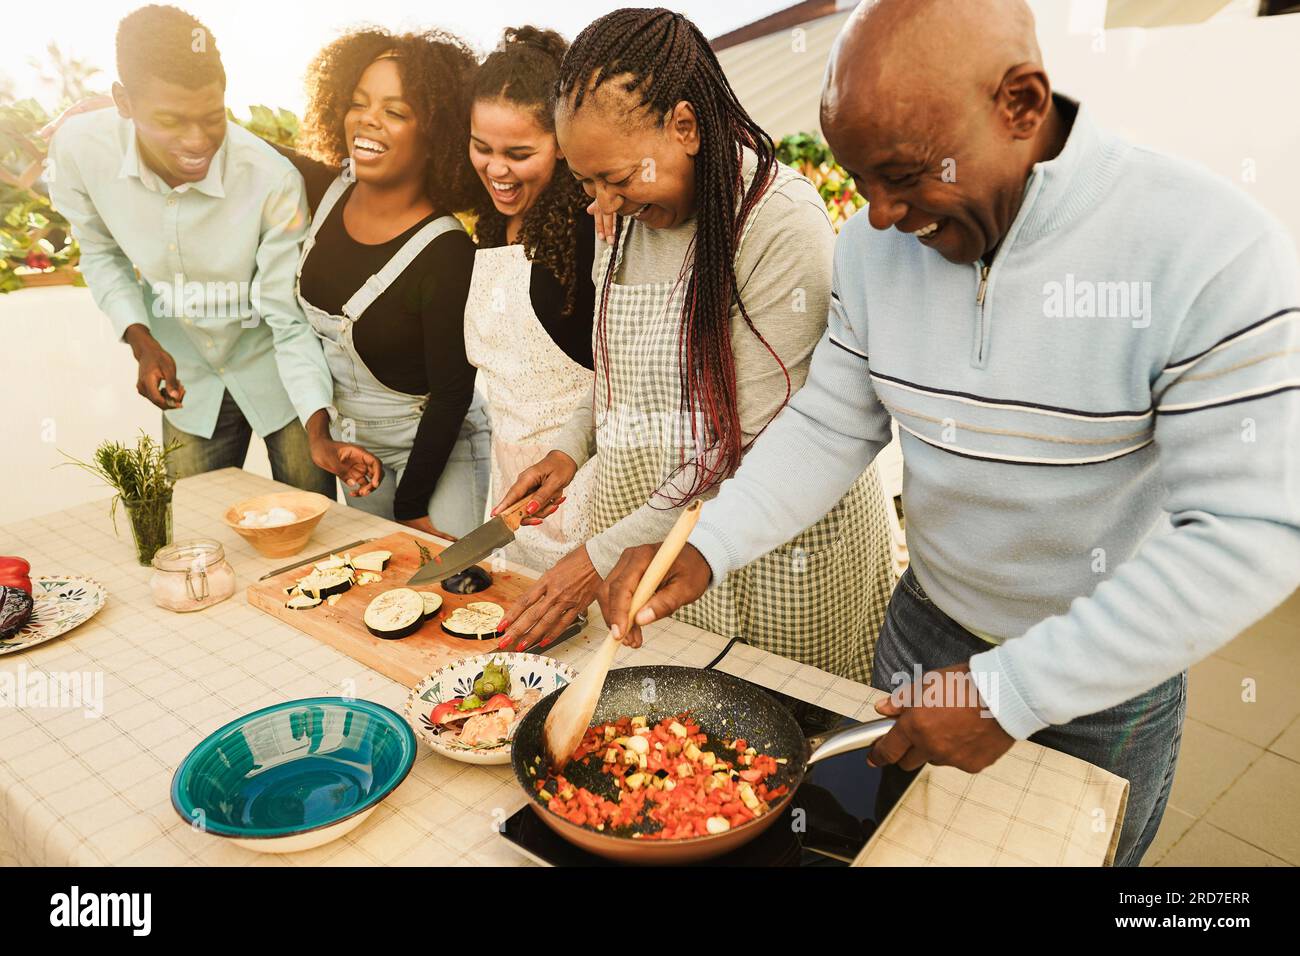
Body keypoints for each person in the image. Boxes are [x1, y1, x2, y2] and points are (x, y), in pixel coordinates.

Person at [597, 0, 1300, 866]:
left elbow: (1250, 528)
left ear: (1022, 104)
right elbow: (831, 423)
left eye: (906, 175)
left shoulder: (1207, 249)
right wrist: (707, 547)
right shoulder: (870, 247)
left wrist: (1016, 691)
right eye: (863, 183)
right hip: (922, 633)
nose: (884, 217)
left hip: (1105, 676)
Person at [493, 8, 896, 678]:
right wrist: (569, 448)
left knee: (776, 738)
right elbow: (619, 361)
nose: (602, 204)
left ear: (684, 126)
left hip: (774, 557)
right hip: (653, 542)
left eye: (618, 181)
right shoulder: (624, 215)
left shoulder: (778, 221)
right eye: (586, 182)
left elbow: (745, 443)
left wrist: (591, 560)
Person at [46, 4, 380, 497]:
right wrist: (142, 342)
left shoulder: (271, 182)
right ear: (124, 101)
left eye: (211, 117)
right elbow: (100, 253)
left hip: (281, 378)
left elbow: (287, 319)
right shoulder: (79, 150)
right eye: (171, 121)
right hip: (188, 376)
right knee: (194, 541)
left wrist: (318, 434)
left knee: (317, 540)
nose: (197, 141)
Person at [293, 29, 489, 537]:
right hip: (356, 447)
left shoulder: (446, 252)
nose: (367, 119)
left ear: (436, 137)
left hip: (439, 449)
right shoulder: (326, 189)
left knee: (449, 592)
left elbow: (451, 393)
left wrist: (411, 506)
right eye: (358, 103)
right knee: (378, 595)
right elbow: (242, 145)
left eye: (395, 112)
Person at [463, 26, 599, 572]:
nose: (496, 169)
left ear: (563, 145)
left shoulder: (590, 228)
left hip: (586, 487)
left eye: (518, 153)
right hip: (512, 485)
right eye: (482, 147)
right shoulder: (491, 228)